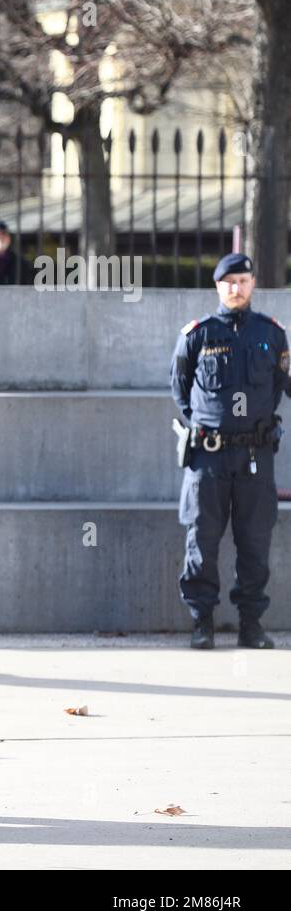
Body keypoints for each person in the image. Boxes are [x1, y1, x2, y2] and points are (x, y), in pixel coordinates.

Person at [171, 252, 283, 650]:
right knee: (202, 541)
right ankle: (202, 623)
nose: (236, 289)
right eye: (229, 282)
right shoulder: (196, 335)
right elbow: (180, 393)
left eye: (243, 281)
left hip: (256, 457)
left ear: (254, 284)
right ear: (217, 286)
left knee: (254, 543)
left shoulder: (272, 334)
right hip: (209, 459)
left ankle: (250, 626)